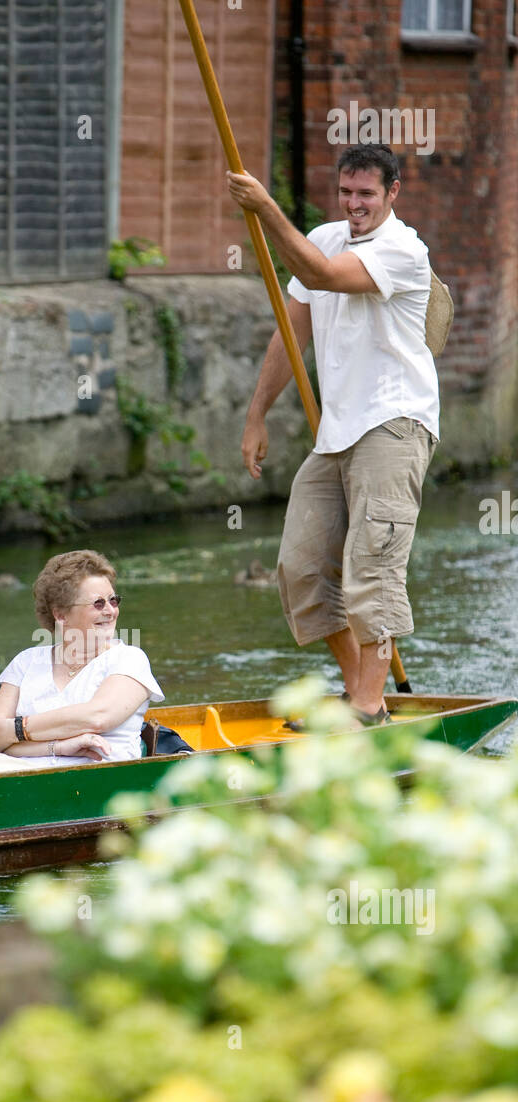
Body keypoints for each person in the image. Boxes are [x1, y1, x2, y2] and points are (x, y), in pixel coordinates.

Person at [226, 143, 439, 725]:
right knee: (302, 568)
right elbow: (292, 333)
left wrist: (267, 208)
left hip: (395, 423)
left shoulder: (402, 250)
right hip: (337, 433)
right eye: (346, 193)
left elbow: (322, 275)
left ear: (392, 193)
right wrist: (256, 414)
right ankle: (357, 693)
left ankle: (368, 708)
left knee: (373, 567)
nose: (355, 205)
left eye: (367, 194)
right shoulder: (322, 238)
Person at [0, 548, 163, 774]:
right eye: (98, 603)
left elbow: (98, 717)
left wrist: (16, 729)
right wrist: (60, 747)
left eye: (113, 600)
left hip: (98, 779)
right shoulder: (27, 661)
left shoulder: (129, 658)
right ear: (61, 615)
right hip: (15, 777)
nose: (111, 611)